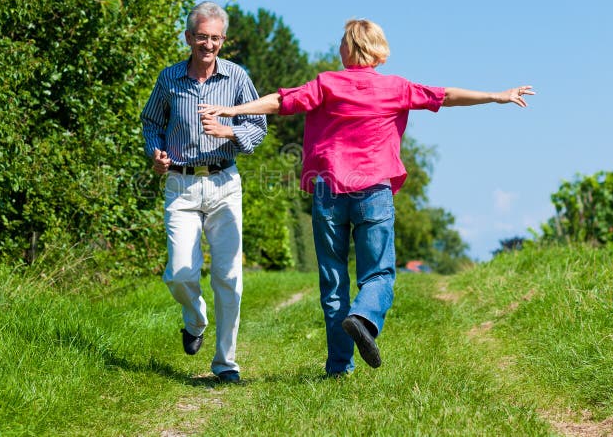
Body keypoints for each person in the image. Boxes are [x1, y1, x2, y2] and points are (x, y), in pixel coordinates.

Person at [198, 19, 534, 377]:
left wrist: (234, 110)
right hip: (373, 190)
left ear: (348, 49)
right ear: (378, 48)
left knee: (333, 280)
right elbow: (446, 96)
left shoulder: (327, 83)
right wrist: (496, 96)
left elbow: (282, 102)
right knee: (378, 273)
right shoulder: (395, 87)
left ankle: (340, 366)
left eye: (342, 42)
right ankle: (363, 316)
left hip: (328, 189)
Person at [140, 2, 267, 384]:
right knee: (179, 273)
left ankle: (226, 364)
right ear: (188, 37)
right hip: (180, 184)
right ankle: (195, 320)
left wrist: (229, 131)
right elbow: (151, 123)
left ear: (223, 40)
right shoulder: (169, 79)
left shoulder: (237, 77)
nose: (208, 44)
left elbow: (258, 127)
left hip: (224, 183)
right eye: (201, 37)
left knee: (229, 276)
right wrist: (155, 154)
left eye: (214, 38)